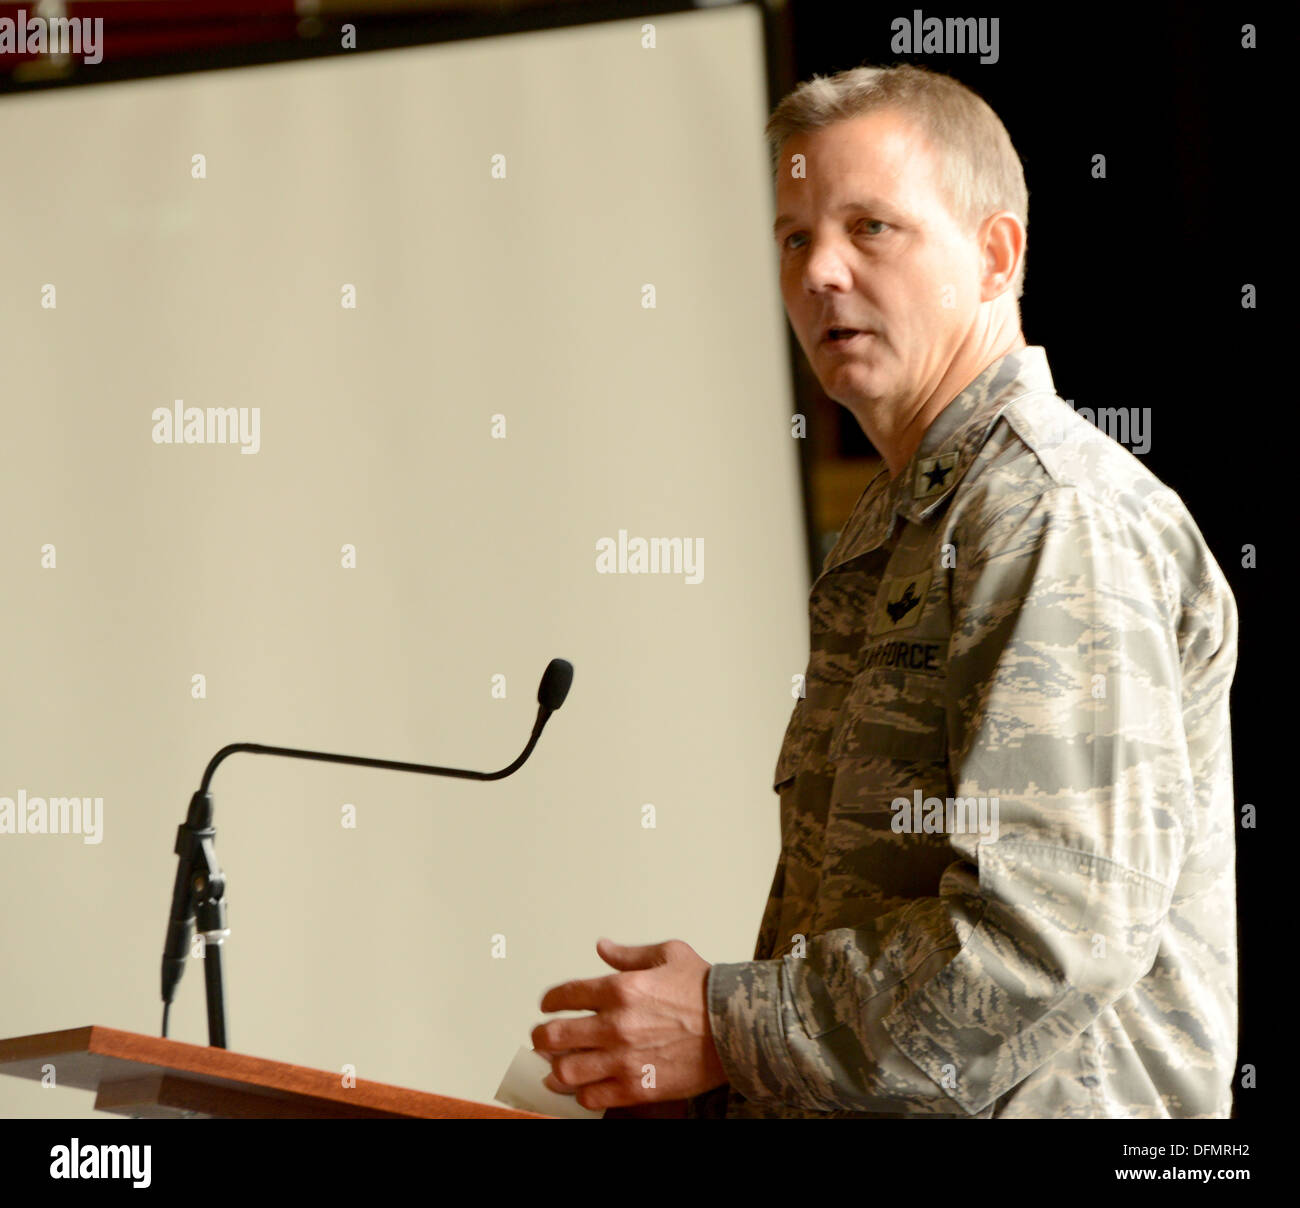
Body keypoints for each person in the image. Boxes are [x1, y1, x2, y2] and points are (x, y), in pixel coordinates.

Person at [532, 64, 1238, 1119]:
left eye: (871, 228)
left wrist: (730, 1026)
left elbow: (1043, 941)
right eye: (792, 236)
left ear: (995, 256)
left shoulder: (1050, 513)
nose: (819, 270)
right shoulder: (900, 516)